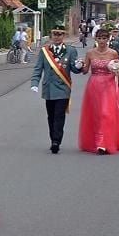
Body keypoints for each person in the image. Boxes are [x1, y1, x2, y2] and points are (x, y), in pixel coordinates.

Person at [30, 25, 84, 154]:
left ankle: (56, 141)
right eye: (55, 34)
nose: (57, 37)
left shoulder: (70, 51)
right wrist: (34, 83)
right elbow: (38, 68)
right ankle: (52, 138)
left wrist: (78, 66)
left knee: (59, 116)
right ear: (51, 36)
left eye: (59, 34)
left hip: (62, 88)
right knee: (51, 116)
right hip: (48, 88)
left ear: (63, 36)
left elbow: (74, 69)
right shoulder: (45, 51)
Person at [77, 28, 119, 155]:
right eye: (99, 38)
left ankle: (103, 142)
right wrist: (79, 66)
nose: (102, 41)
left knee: (106, 113)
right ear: (96, 39)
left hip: (108, 84)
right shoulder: (90, 53)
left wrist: (117, 71)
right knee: (95, 114)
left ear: (108, 39)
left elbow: (118, 69)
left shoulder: (113, 53)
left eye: (104, 38)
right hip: (94, 84)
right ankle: (96, 141)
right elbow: (85, 71)